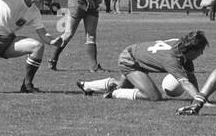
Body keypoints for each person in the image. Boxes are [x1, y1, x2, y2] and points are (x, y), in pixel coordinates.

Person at [77, 31, 209, 102]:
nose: (201, 53)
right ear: (191, 50)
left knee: (122, 86)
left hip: (136, 55)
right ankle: (114, 93)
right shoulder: (172, 59)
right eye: (200, 50)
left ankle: (87, 86)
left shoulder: (180, 46)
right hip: (130, 61)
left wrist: (199, 99)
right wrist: (200, 101)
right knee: (153, 96)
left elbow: (191, 77)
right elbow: (185, 83)